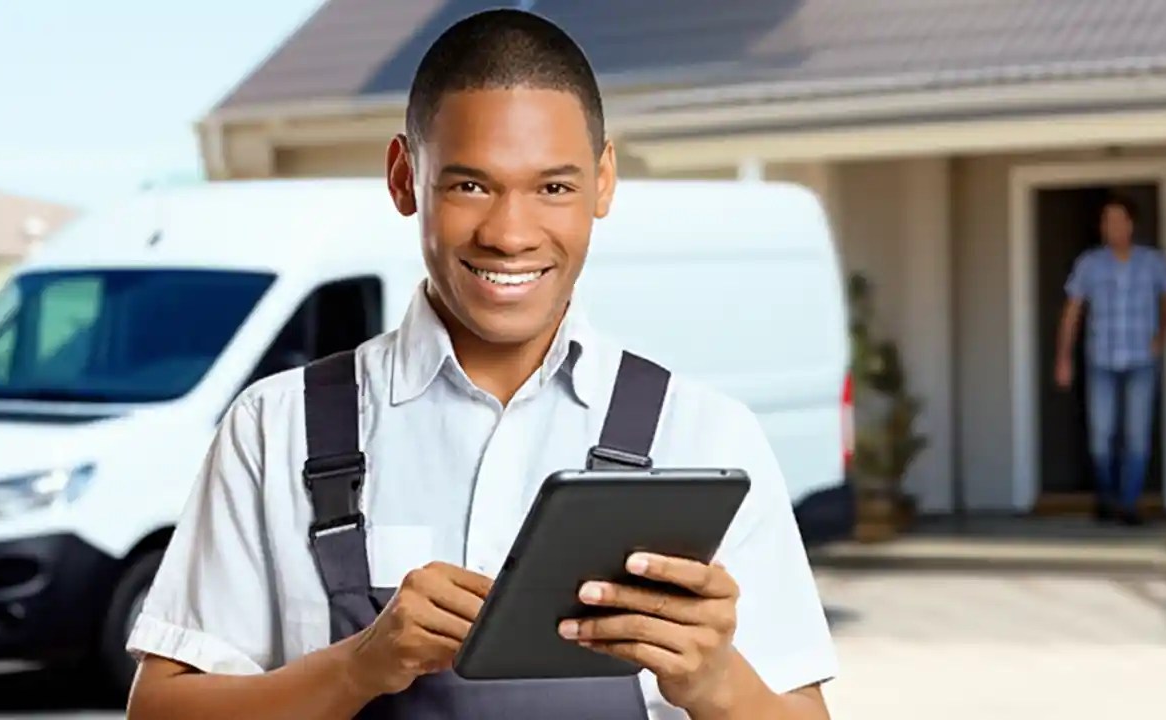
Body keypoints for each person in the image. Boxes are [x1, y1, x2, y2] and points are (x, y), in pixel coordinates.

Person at [125, 9, 837, 720]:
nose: (509, 234)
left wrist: (715, 683)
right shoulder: (274, 429)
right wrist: (358, 666)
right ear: (404, 178)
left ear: (603, 181)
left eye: (553, 188)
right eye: (470, 186)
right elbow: (157, 711)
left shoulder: (706, 436)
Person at [1055, 196, 1166, 526]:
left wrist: (1162, 336)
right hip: (1101, 361)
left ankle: (1128, 504)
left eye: (1117, 220)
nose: (1111, 227)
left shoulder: (1153, 262)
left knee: (1137, 435)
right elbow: (1072, 312)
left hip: (1141, 360)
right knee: (1101, 436)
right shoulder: (1089, 264)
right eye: (1106, 221)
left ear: (1130, 224)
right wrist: (1063, 358)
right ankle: (1106, 497)